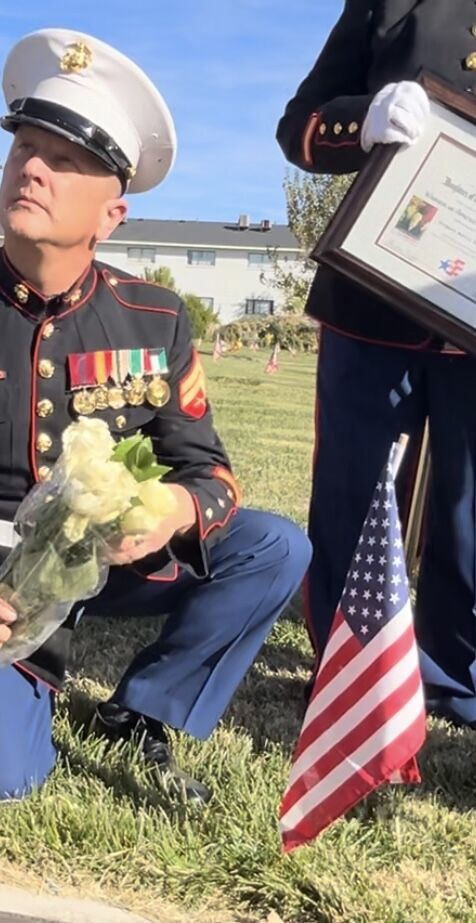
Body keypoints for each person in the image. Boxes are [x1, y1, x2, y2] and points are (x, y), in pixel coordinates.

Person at [0, 27, 311, 802]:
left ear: (112, 212)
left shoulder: (153, 319)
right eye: (25, 146)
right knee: (0, 780)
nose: (32, 168)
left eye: (66, 162)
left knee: (274, 547)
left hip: (110, 570)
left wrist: (173, 512)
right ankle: (8, 689)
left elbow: (209, 471)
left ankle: (144, 712)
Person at [277, 3, 476, 727]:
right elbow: (299, 124)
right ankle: (348, 672)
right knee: (355, 497)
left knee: (471, 517)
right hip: (374, 300)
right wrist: (360, 120)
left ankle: (460, 683)